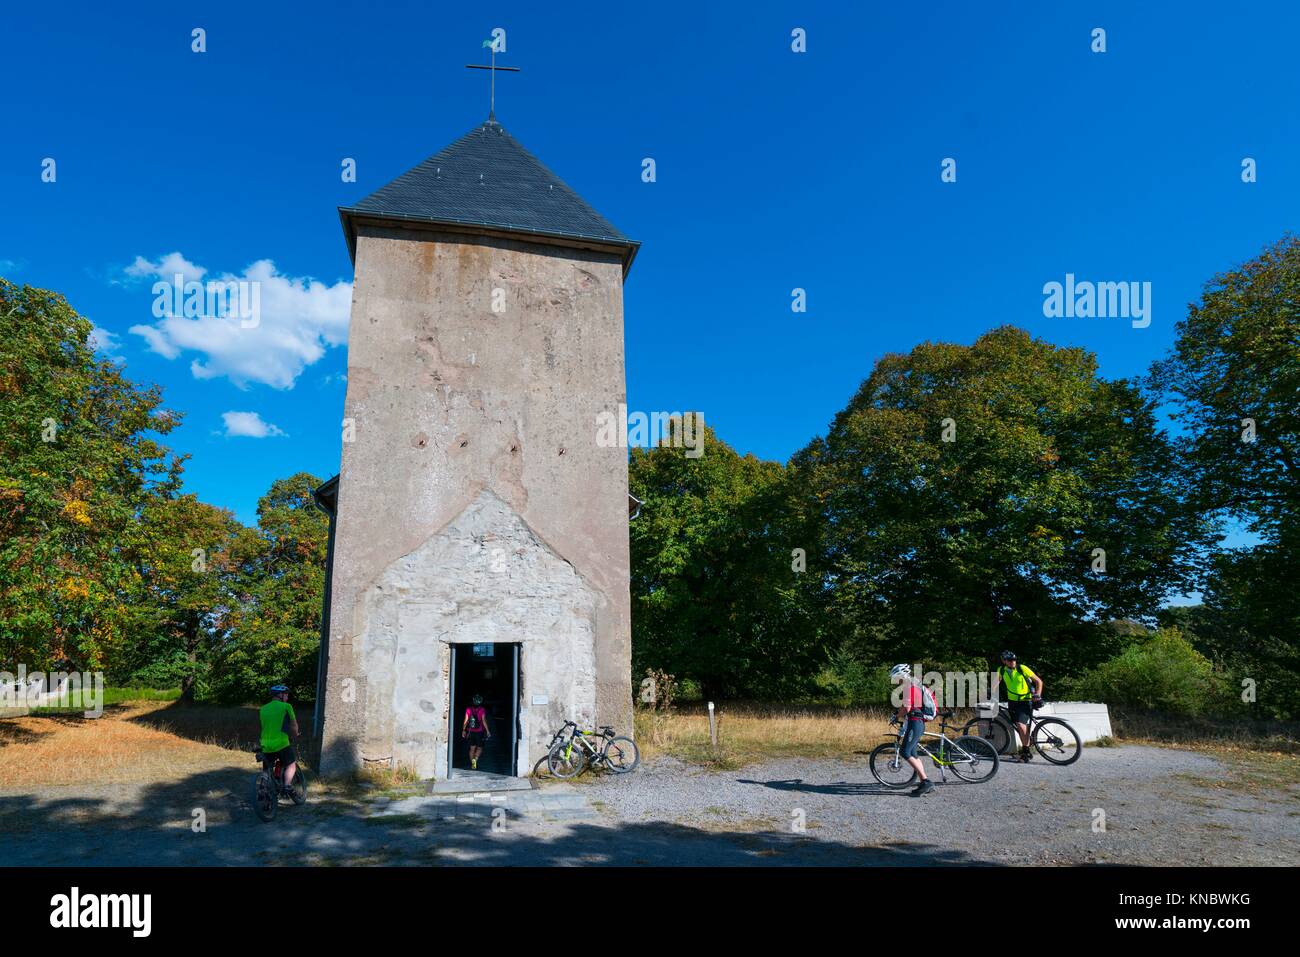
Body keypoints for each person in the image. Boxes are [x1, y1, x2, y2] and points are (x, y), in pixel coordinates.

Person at [890, 663, 935, 797]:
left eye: (896, 677)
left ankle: (926, 782)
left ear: (902, 676)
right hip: (916, 722)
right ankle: (923, 782)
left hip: (915, 723)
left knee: (905, 751)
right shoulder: (913, 684)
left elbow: (906, 709)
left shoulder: (909, 686)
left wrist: (895, 715)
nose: (895, 680)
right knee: (913, 753)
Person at [995, 651, 1043, 762]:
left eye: (1014, 660)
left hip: (1025, 701)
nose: (1013, 662)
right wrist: (990, 693)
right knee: (1018, 725)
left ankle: (1026, 753)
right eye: (1010, 660)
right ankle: (1026, 746)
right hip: (1012, 702)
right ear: (1004, 661)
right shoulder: (1001, 670)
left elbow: (1039, 681)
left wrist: (1037, 695)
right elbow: (996, 682)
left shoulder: (1022, 668)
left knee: (1021, 725)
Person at [258, 683, 299, 791]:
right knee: (291, 764)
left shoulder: (263, 709)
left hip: (265, 744)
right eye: (286, 694)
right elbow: (294, 725)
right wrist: (295, 735)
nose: (287, 697)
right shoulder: (287, 706)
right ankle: (287, 785)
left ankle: (264, 789)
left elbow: (267, 726)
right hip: (281, 743)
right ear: (280, 695)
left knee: (267, 770)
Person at [462, 694, 491, 770]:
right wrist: (487, 731)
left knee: (472, 749)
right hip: (479, 732)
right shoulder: (482, 710)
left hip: (470, 731)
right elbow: (484, 721)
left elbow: (465, 721)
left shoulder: (468, 709)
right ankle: (475, 759)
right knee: (480, 748)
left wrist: (463, 730)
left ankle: (472, 763)